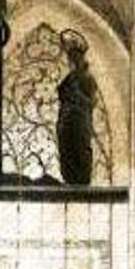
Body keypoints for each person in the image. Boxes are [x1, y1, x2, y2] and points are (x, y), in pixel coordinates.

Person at [56, 29, 96, 184]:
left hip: (79, 122)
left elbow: (90, 102)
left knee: (79, 151)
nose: (70, 59)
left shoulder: (87, 78)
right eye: (69, 56)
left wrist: (76, 94)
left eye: (73, 56)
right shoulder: (71, 77)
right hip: (67, 122)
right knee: (67, 153)